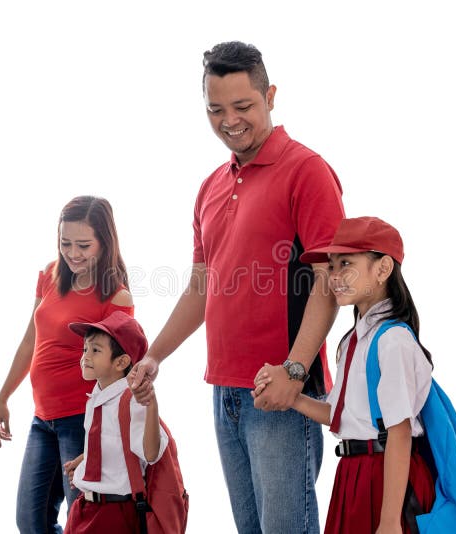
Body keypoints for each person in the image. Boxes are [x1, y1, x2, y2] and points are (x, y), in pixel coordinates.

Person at [129, 41, 345, 533]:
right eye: (215, 109)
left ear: (270, 96)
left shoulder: (306, 171)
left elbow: (329, 280)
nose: (230, 121)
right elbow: (200, 287)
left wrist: (295, 370)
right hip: (224, 390)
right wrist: (154, 355)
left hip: (281, 392)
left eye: (243, 105)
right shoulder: (210, 186)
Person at [253, 217, 436, 534]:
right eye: (331, 265)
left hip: (386, 477)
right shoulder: (354, 340)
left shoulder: (393, 342)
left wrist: (389, 521)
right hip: (352, 476)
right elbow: (341, 414)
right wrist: (288, 396)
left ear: (383, 269)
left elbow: (399, 433)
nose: (334, 276)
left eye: (346, 264)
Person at [0, 195, 134, 534]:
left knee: (82, 522)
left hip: (82, 422)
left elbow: (121, 376)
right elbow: (31, 341)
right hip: (43, 418)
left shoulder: (115, 297)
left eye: (83, 245)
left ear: (105, 242)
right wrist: (3, 396)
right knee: (31, 521)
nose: (72, 253)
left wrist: (101, 443)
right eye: (65, 242)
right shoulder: (50, 275)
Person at [61, 311, 168, 534]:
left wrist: (151, 406)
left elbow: (150, 454)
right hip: (84, 508)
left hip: (114, 512)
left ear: (121, 362)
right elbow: (111, 439)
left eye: (95, 350)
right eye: (85, 349)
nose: (85, 356)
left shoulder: (132, 401)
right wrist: (84, 460)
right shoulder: (96, 396)